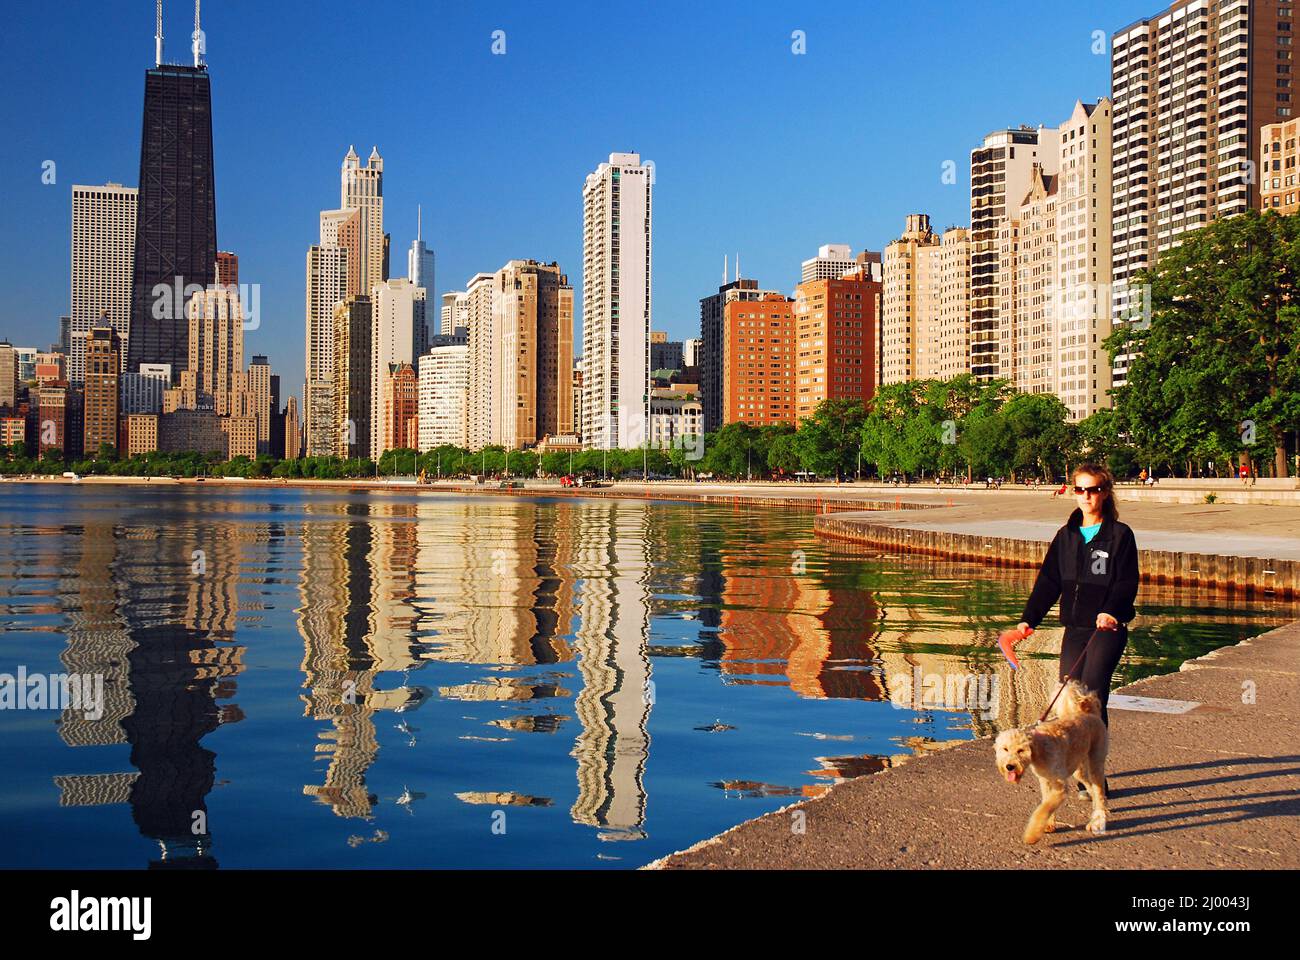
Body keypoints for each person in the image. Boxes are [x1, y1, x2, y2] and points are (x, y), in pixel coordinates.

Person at [1014, 463, 1140, 796]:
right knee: (1069, 700)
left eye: (1094, 489)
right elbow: (1049, 582)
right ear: (1073, 491)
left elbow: (1127, 581)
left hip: (1107, 628)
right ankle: (1075, 767)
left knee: (1093, 698)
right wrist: (1029, 619)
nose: (1087, 496)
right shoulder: (1066, 536)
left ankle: (1095, 777)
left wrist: (1111, 611)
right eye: (1080, 489)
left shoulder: (1120, 535)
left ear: (1106, 491)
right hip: (1075, 628)